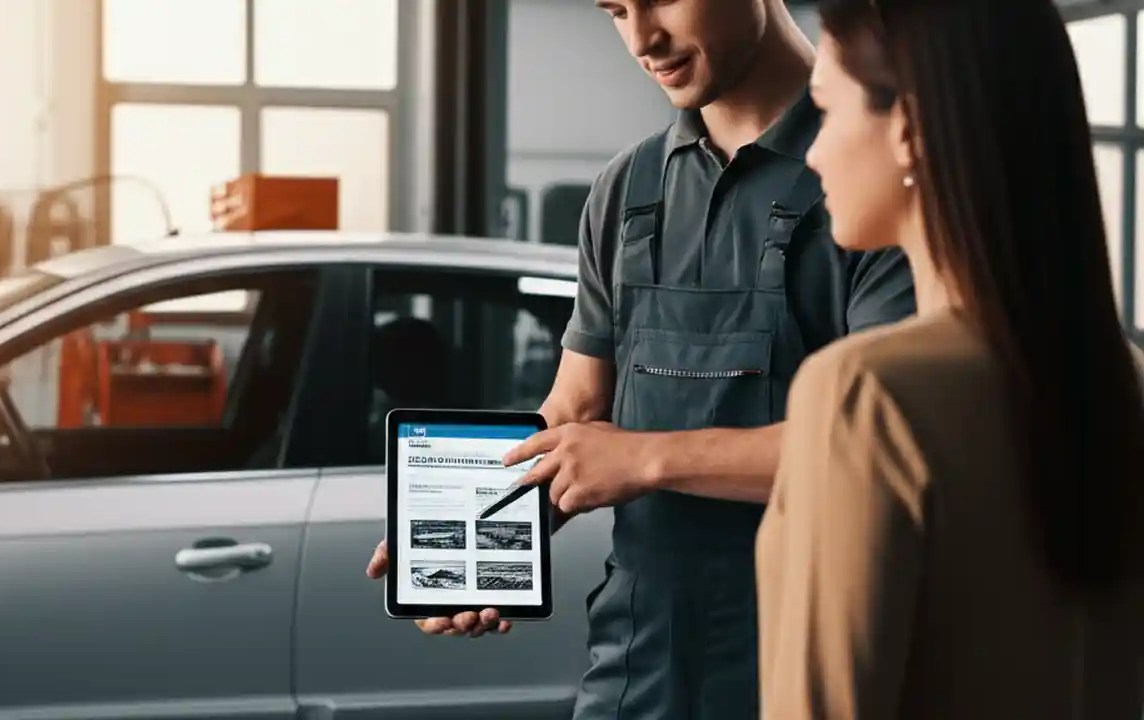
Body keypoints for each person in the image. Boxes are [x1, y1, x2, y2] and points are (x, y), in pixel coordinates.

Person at [367, 0, 916, 716]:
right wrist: (474, 534)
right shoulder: (627, 188)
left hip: (817, 651)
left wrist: (644, 459)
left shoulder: (874, 172)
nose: (641, 39)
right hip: (640, 657)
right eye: (616, 10)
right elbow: (575, 409)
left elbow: (886, 448)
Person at [754, 0, 1144, 717]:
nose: (812, 153)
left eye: (827, 112)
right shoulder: (1127, 382)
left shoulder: (866, 394)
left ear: (909, 130)